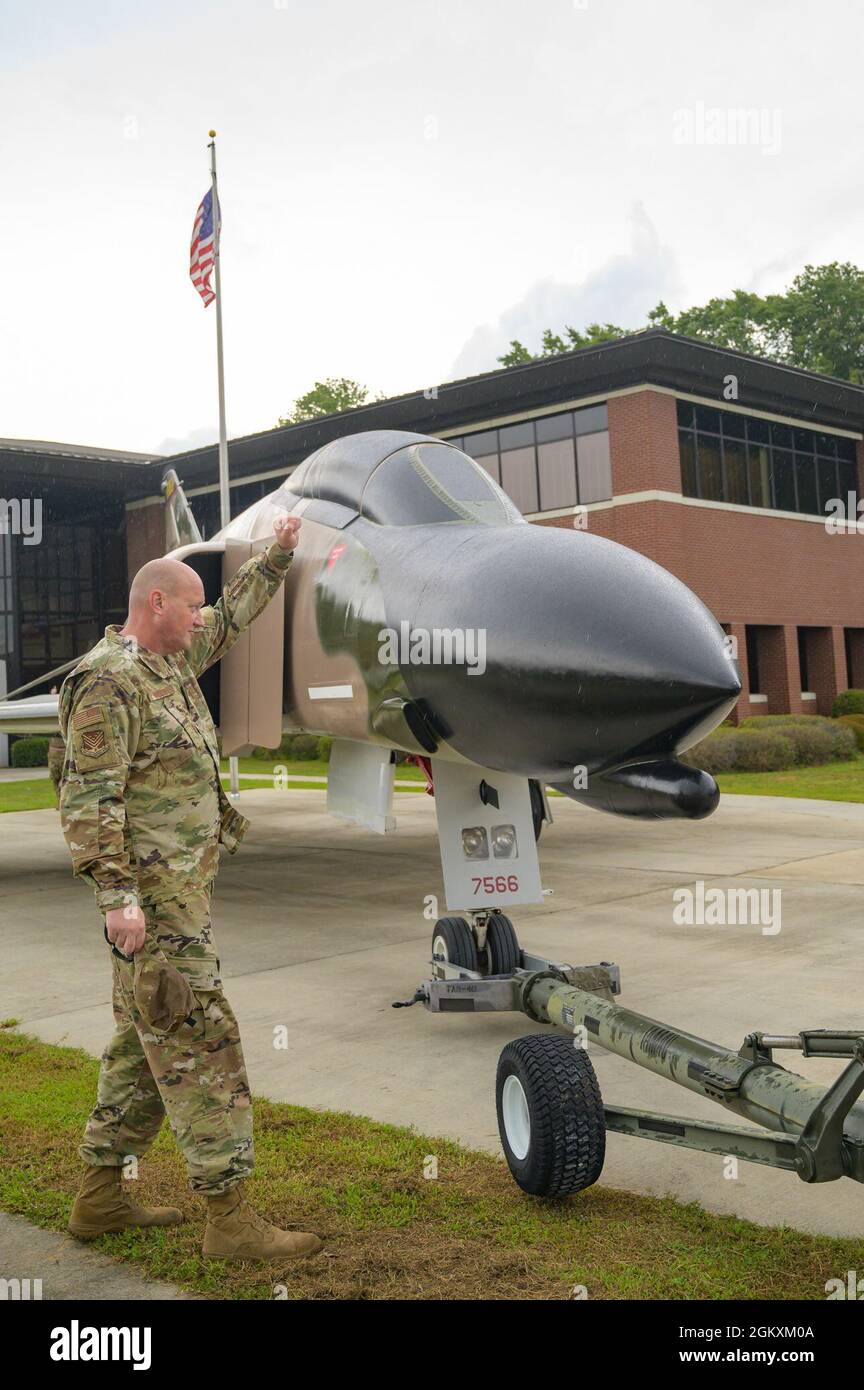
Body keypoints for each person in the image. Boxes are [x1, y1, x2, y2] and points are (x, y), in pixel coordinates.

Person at [59, 515, 322, 1262]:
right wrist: (118, 899)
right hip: (154, 909)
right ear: (157, 606)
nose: (204, 618)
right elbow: (90, 797)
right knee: (203, 1042)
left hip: (179, 896)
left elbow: (235, 613)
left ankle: (100, 1199)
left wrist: (276, 555)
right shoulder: (108, 681)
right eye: (193, 606)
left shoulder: (170, 661)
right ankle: (232, 1222)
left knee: (142, 1047)